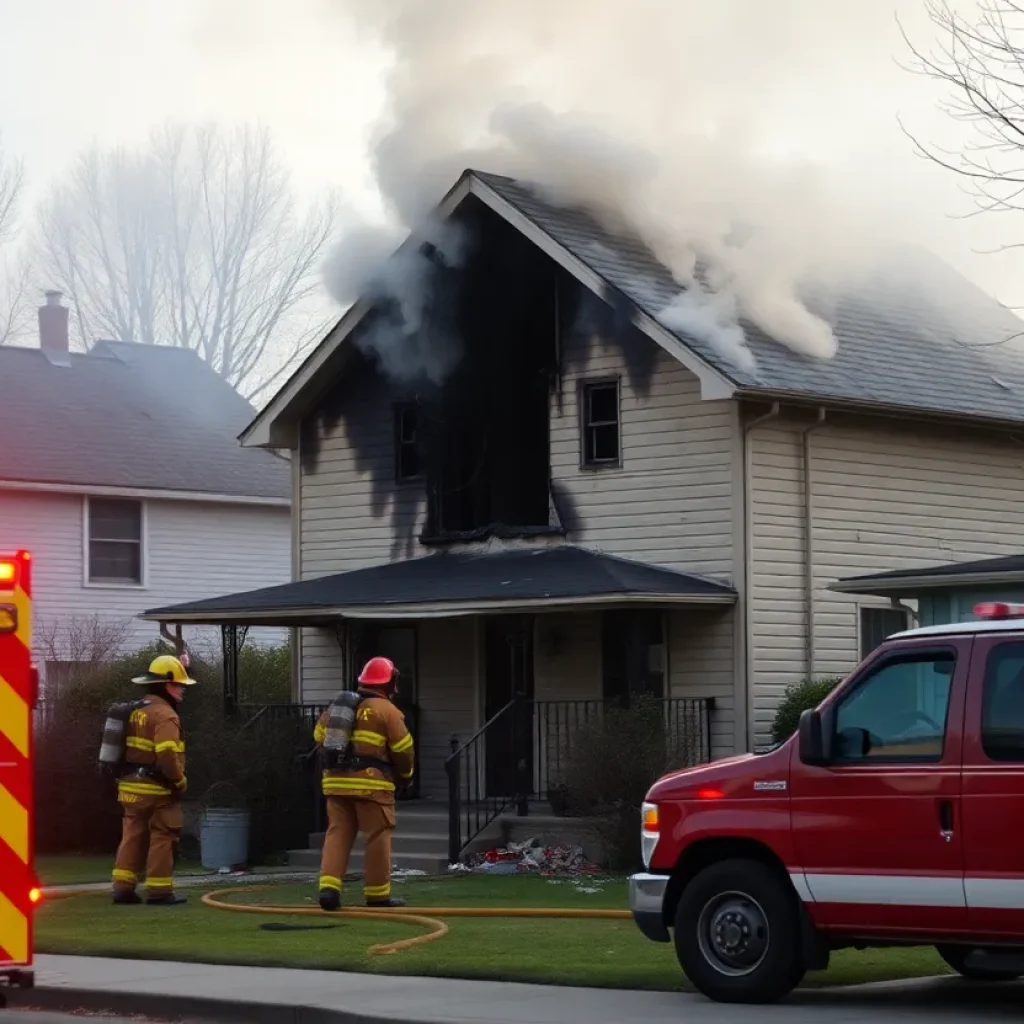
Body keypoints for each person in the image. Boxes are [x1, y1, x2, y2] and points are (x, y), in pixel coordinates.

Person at [313, 656, 415, 910]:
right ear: (389, 684)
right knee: (377, 835)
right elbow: (404, 750)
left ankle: (329, 890)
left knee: (338, 833)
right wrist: (406, 776)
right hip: (372, 786)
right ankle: (377, 895)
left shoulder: (337, 707)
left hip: (335, 782)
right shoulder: (388, 711)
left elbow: (318, 738)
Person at [110, 653, 194, 906]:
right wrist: (178, 781)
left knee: (132, 833)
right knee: (164, 833)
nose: (181, 691)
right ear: (166, 685)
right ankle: (159, 892)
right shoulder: (165, 715)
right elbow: (167, 754)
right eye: (179, 685)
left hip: (129, 787)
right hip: (157, 789)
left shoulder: (134, 711)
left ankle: (122, 889)